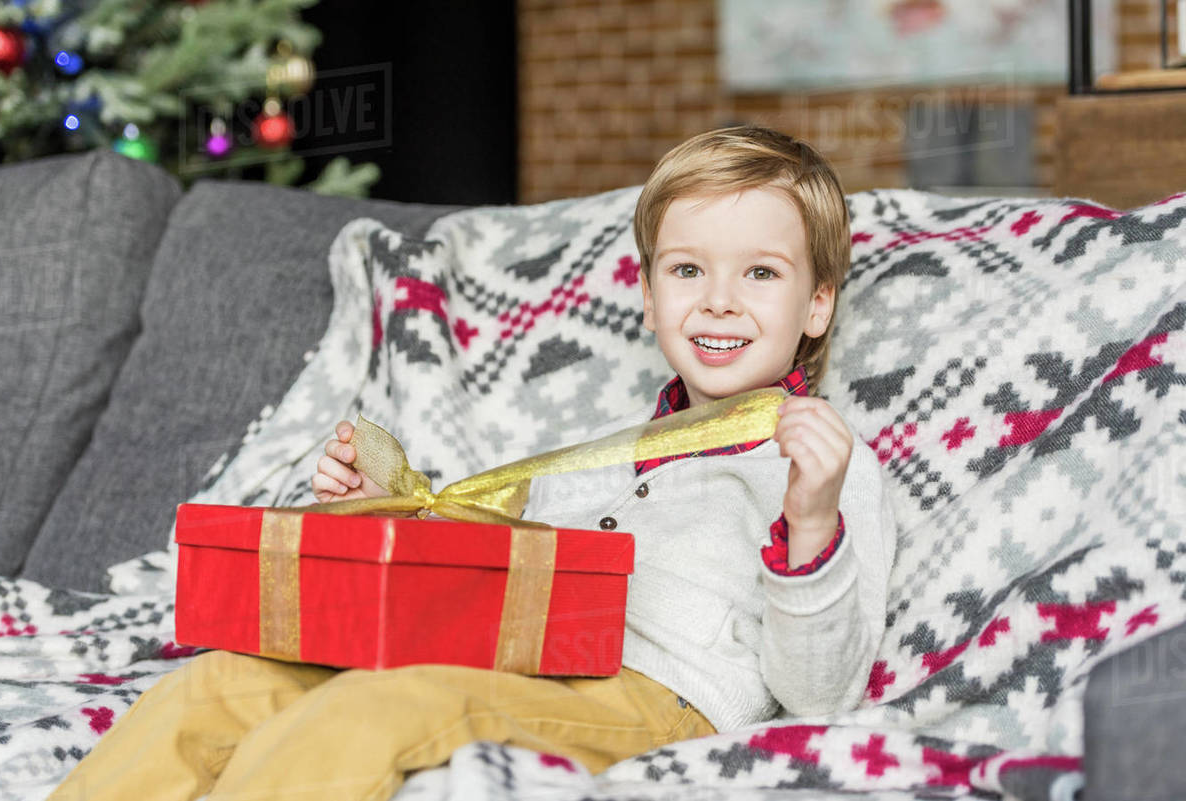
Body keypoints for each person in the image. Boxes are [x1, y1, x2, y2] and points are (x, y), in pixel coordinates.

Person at [51, 125, 896, 801]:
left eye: (760, 272)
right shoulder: (603, 447)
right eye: (687, 268)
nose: (718, 298)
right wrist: (382, 509)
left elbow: (822, 697)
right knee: (223, 682)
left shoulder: (820, 463)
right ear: (648, 294)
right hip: (524, 658)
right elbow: (495, 576)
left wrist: (812, 523)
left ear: (817, 303)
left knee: (375, 707)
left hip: (654, 700)